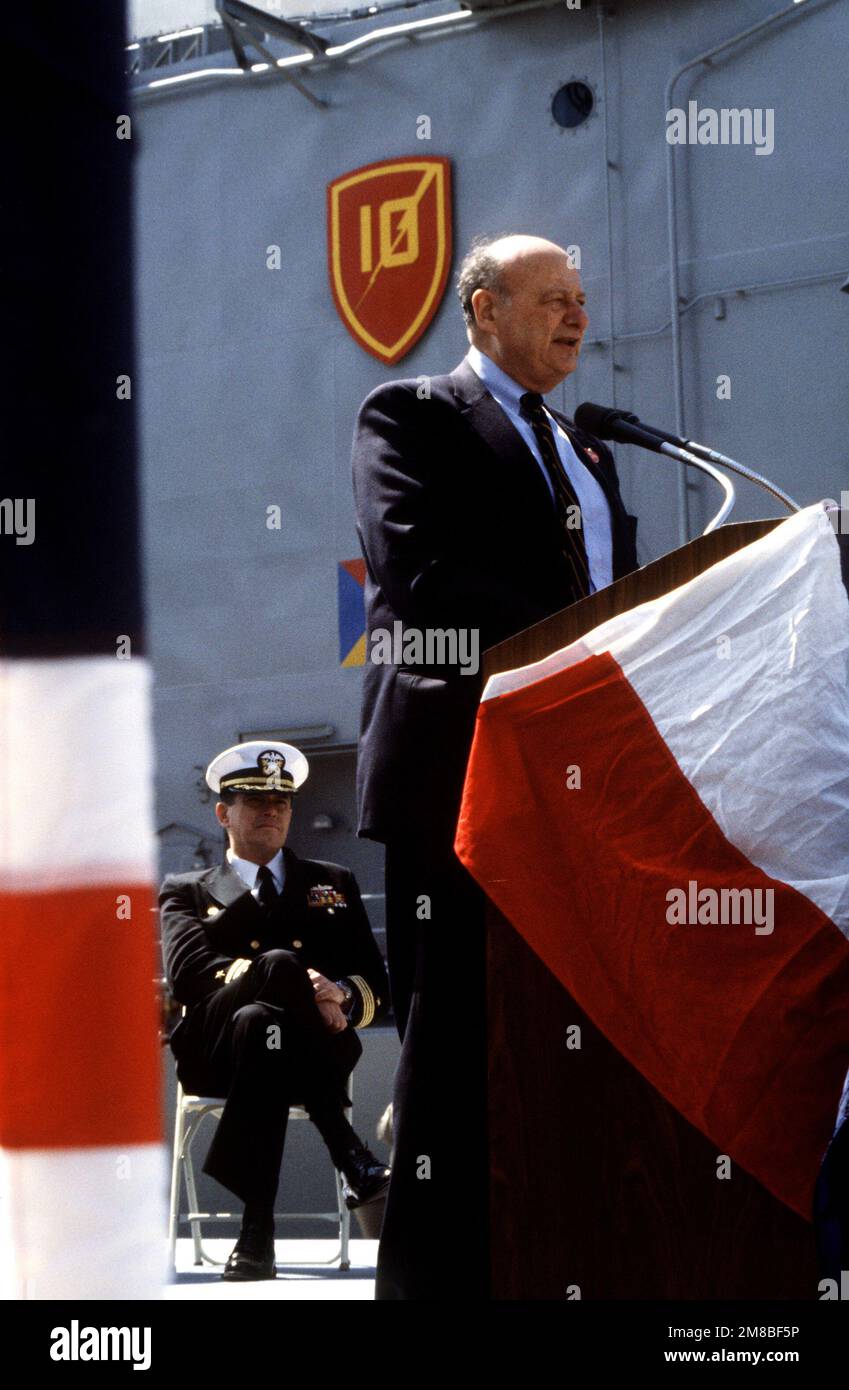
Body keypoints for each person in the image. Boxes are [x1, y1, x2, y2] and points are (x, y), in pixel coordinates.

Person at [351, 233, 640, 1299]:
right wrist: (591, 632)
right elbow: (422, 576)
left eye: (581, 298)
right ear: (483, 310)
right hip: (460, 769)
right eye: (550, 299)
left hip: (580, 779)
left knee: (568, 1036)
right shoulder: (409, 417)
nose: (575, 316)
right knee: (457, 1041)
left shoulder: (591, 451)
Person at [160, 740, 390, 1281]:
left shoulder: (332, 884)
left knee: (260, 1024)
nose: (271, 812)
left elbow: (376, 984)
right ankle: (350, 1153)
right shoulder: (187, 891)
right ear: (223, 813)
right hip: (217, 1052)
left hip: (294, 1051)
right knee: (275, 972)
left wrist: (343, 995)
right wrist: (300, 986)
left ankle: (255, 1235)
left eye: (282, 803)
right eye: (255, 801)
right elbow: (192, 976)